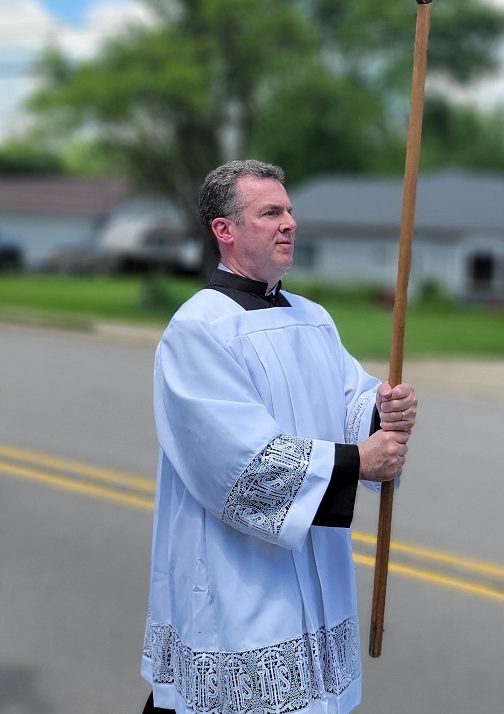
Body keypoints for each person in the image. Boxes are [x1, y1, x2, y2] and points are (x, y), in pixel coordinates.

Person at [141, 160, 416, 714]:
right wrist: (357, 461)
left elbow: (347, 399)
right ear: (225, 230)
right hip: (237, 569)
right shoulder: (200, 328)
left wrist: (381, 411)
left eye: (289, 210)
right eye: (271, 213)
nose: (289, 222)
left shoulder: (312, 317)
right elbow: (237, 459)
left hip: (314, 557)